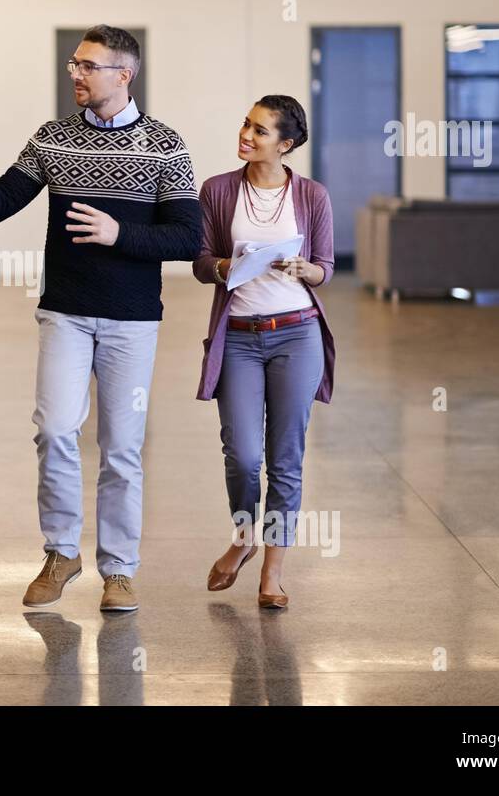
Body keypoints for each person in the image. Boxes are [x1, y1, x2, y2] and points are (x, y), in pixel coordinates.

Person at [0, 25, 201, 612]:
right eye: (74, 64)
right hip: (65, 315)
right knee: (54, 431)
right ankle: (60, 552)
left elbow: (187, 238)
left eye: (88, 66)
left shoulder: (165, 146)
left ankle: (120, 569)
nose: (75, 74)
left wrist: (118, 233)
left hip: (132, 321)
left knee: (122, 447)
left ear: (123, 75)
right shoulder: (52, 140)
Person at [192, 94, 336, 610]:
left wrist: (305, 270)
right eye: (246, 124)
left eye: (260, 131)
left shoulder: (312, 195)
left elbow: (326, 267)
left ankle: (272, 571)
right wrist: (225, 267)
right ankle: (243, 536)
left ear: (286, 144)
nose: (247, 135)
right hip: (239, 336)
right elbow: (201, 260)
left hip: (297, 333)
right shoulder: (217, 190)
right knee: (243, 455)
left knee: (285, 458)